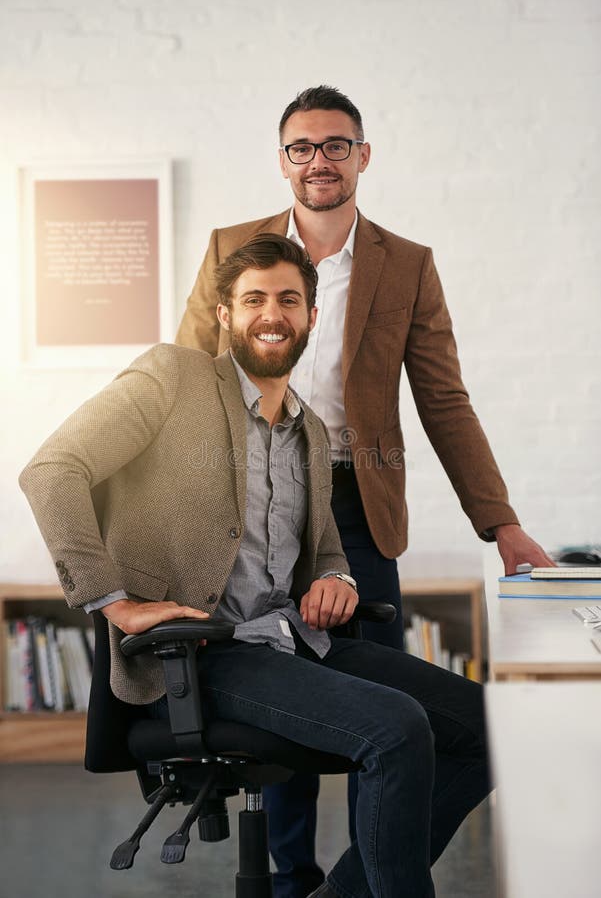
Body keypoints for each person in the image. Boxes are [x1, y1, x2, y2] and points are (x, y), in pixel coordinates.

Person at [20, 234, 490, 898]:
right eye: (255, 299)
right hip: (202, 653)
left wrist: (336, 577)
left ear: (310, 318)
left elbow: (323, 547)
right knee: (396, 730)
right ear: (225, 315)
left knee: (484, 728)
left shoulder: (311, 430)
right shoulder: (171, 378)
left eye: (289, 300)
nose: (273, 313)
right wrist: (112, 601)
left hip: (293, 640)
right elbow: (52, 470)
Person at [174, 85, 554, 895]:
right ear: (282, 161)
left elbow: (443, 400)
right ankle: (290, 879)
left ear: (362, 155)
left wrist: (501, 524)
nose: (319, 160)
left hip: (355, 505)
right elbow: (184, 380)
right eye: (302, 147)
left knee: (387, 712)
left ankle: (358, 882)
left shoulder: (406, 264)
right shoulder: (230, 246)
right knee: (283, 692)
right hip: (247, 502)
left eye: (335, 145)